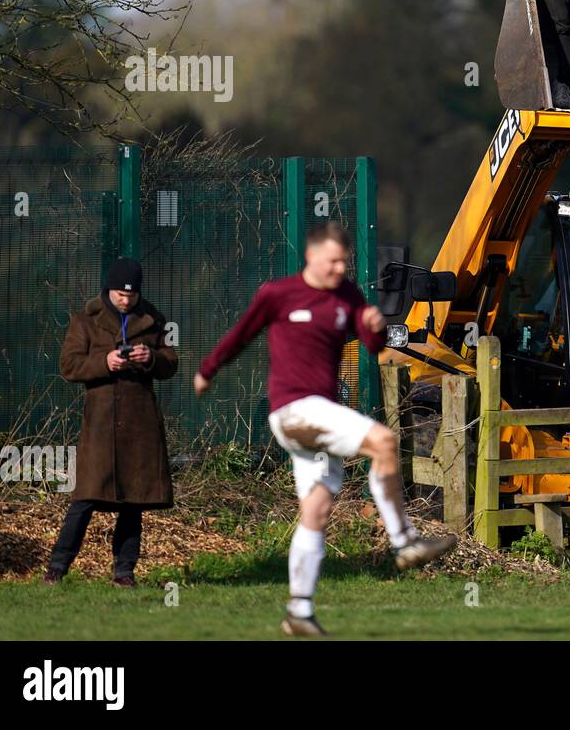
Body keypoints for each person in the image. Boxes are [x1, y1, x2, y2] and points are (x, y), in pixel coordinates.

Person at [194, 222, 456, 637]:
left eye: (344, 262)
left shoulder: (347, 296)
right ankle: (404, 541)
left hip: (319, 416)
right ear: (311, 256)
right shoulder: (277, 295)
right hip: (293, 411)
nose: (339, 269)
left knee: (315, 510)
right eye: (332, 261)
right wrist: (207, 371)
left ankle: (299, 610)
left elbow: (373, 349)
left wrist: (372, 326)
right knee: (384, 441)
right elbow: (240, 335)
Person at [46, 257, 177, 586]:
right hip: (101, 425)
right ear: (109, 289)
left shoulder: (153, 319)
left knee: (135, 500)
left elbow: (170, 364)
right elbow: (69, 365)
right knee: (84, 499)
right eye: (120, 293)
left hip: (140, 424)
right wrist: (104, 362)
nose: (126, 300)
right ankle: (56, 570)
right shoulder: (85, 320)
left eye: (131, 295)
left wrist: (152, 357)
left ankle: (124, 572)